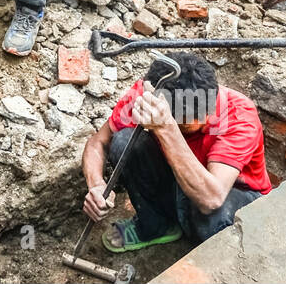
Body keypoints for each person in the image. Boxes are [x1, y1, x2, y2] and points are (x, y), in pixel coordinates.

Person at [80, 54, 272, 252]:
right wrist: (96, 185)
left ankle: (216, 255)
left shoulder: (239, 116)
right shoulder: (151, 97)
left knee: (214, 215)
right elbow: (97, 143)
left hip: (231, 194)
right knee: (124, 140)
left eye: (185, 126)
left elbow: (211, 199)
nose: (181, 129)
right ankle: (157, 226)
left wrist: (167, 128)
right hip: (179, 184)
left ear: (208, 111)